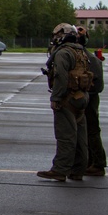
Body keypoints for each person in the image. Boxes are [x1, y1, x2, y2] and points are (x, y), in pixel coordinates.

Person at [37, 23, 89, 182]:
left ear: (63, 35)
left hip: (67, 99)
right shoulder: (80, 51)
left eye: (56, 35)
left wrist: (56, 98)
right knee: (80, 137)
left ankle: (60, 170)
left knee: (65, 135)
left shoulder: (63, 53)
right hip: (81, 97)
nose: (54, 39)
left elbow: (61, 77)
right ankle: (78, 170)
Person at [76, 26, 107, 176]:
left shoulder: (90, 59)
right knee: (86, 131)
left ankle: (98, 163)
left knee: (92, 130)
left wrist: (86, 93)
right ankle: (90, 161)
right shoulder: (81, 57)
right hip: (86, 98)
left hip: (90, 99)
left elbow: (98, 86)